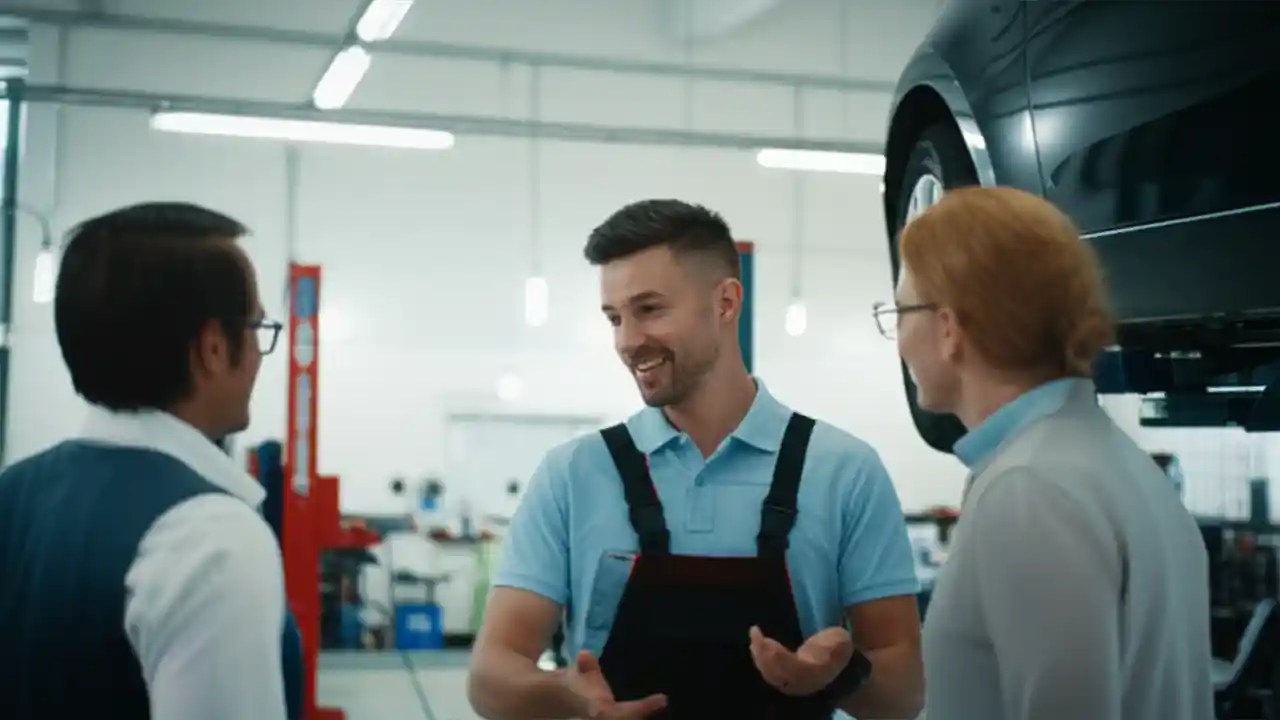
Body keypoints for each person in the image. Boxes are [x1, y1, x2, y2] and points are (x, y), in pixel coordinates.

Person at [469, 199, 924, 719]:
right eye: (614, 317)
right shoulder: (572, 475)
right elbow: (490, 677)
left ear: (726, 303)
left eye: (649, 310)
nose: (627, 341)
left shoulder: (845, 472)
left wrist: (840, 673)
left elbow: (904, 693)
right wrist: (564, 693)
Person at [880, 186, 1213, 720]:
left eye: (901, 310)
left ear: (948, 329)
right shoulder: (1118, 466)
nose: (896, 336)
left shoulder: (1030, 490)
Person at [0, 203, 298, 719]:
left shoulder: (15, 493)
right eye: (255, 328)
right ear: (211, 347)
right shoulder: (209, 536)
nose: (256, 354)